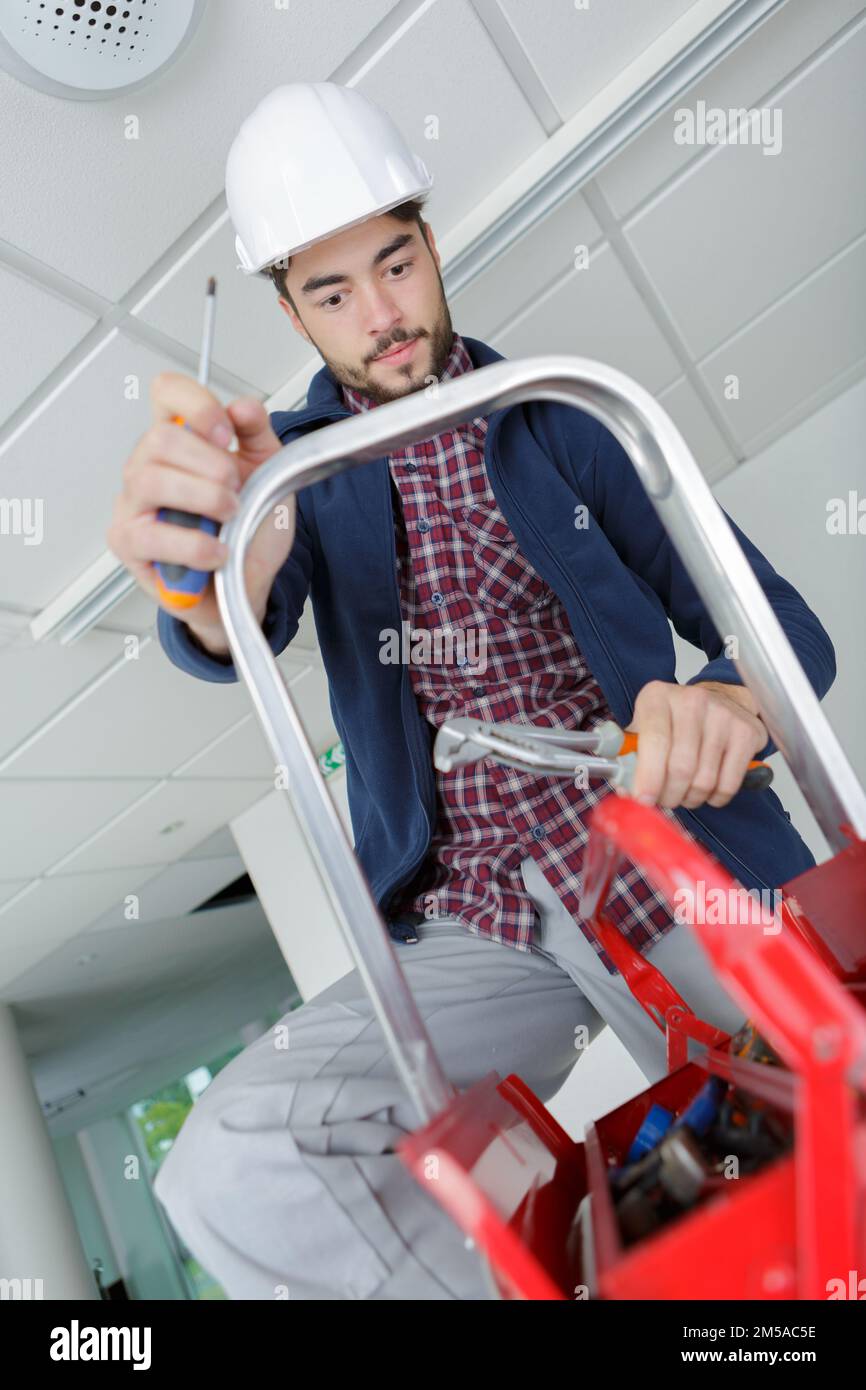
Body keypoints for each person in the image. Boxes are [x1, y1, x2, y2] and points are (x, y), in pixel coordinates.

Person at [107, 84, 835, 1300]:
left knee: (826, 1112)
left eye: (394, 265)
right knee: (227, 1167)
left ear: (433, 245)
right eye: (333, 293)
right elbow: (231, 619)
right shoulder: (290, 475)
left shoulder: (564, 414)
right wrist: (208, 576)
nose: (382, 317)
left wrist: (728, 703)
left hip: (666, 857)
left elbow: (783, 630)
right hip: (474, 921)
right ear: (290, 308)